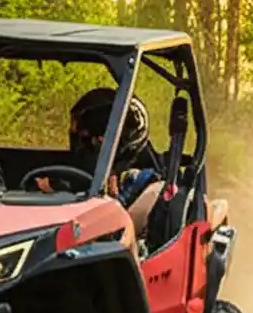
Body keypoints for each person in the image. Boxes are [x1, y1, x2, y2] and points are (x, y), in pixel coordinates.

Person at [38, 87, 163, 234]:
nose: (79, 142)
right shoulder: (88, 174)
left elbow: (114, 228)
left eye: (84, 137)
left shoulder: (139, 181)